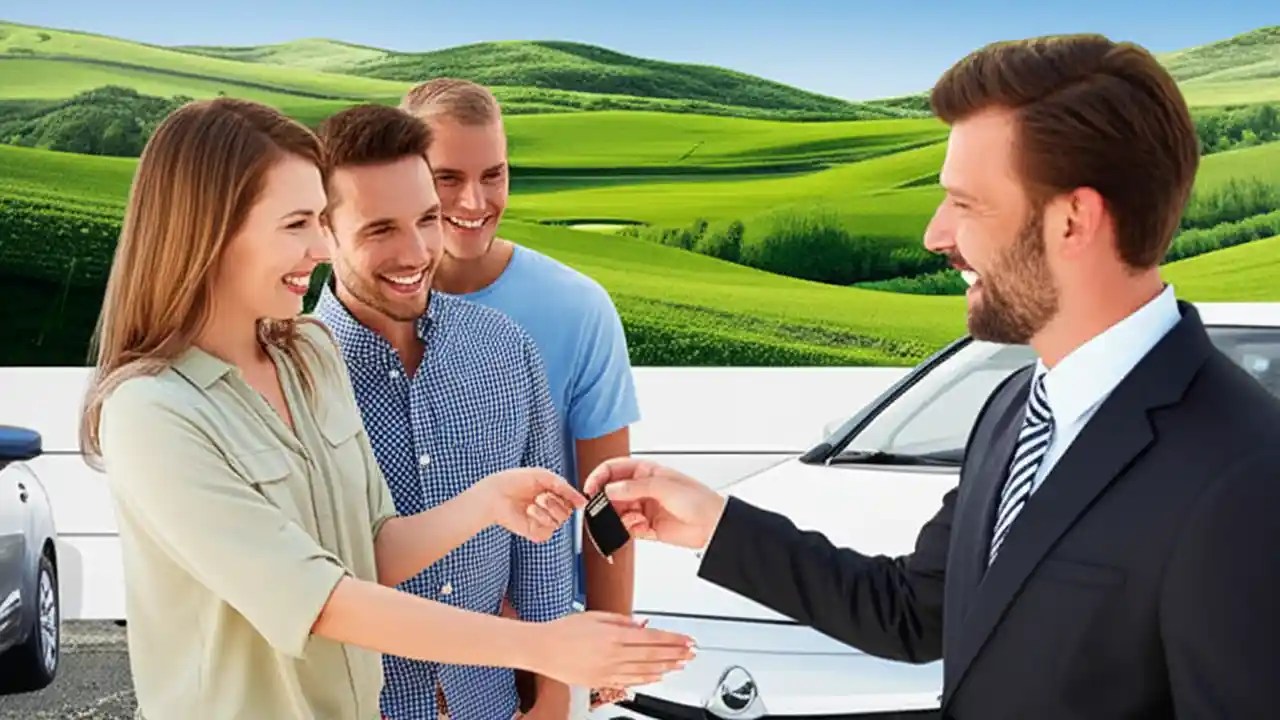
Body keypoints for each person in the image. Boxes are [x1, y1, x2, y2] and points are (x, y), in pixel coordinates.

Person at [583, 33, 1280, 719]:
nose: (936, 235)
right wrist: (715, 524)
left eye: (966, 204)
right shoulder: (1015, 409)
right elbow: (916, 611)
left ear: (1074, 219)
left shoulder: (1244, 473)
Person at [79, 97, 695, 720]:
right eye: (298, 224)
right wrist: (545, 647)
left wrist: (485, 504)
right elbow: (320, 599)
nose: (321, 247)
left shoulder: (308, 356)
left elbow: (367, 550)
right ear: (208, 231)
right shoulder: (149, 413)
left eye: (321, 220)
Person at [308, 102, 592, 720]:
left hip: (492, 704)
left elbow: (542, 538)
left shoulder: (505, 347)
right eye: (381, 229)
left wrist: (551, 693)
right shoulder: (289, 377)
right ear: (322, 232)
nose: (415, 253)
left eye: (427, 220)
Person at [398, 78, 642, 712]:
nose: (474, 201)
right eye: (445, 177)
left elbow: (606, 499)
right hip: (387, 641)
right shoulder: (358, 303)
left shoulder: (577, 308)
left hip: (533, 642)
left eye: (494, 175)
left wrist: (607, 648)